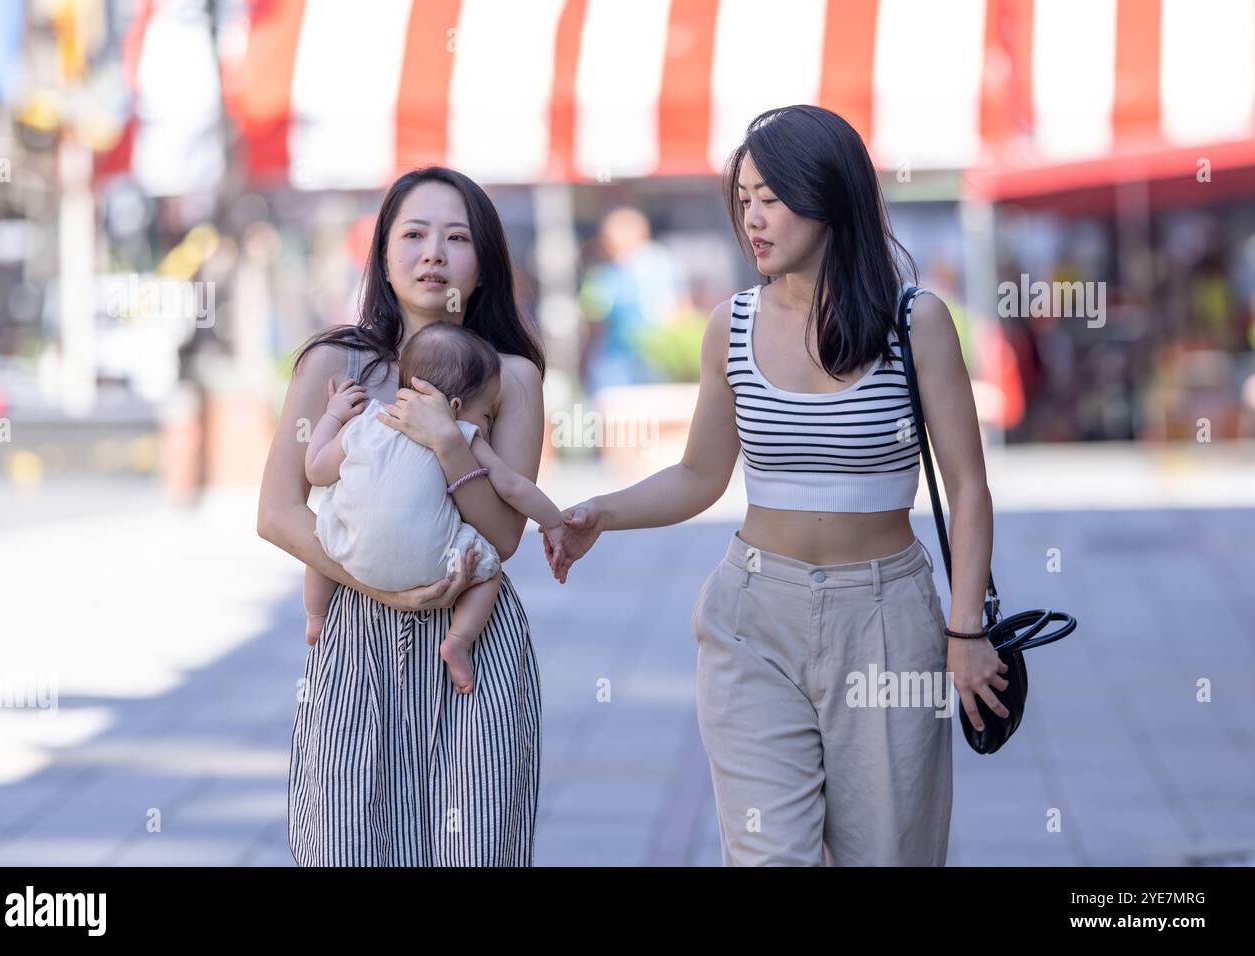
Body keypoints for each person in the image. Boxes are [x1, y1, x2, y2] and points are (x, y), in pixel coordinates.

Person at [544, 106, 1007, 866]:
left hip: (886, 620)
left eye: (772, 198)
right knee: (769, 856)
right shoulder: (730, 325)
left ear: (830, 198)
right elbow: (700, 474)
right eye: (745, 199)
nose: (752, 219)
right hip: (752, 618)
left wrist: (964, 631)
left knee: (888, 854)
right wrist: (602, 511)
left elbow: (968, 487)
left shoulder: (913, 322)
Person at [257, 165, 547, 866]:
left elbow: (503, 534)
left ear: (484, 265)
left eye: (457, 238)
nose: (434, 254)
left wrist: (450, 445)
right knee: (348, 845)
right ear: (384, 255)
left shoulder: (512, 378)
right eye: (413, 234)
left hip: (471, 648)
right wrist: (374, 585)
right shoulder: (336, 366)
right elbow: (277, 511)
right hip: (355, 639)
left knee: (475, 845)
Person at [304, 321, 567, 695]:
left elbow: (315, 470)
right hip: (437, 572)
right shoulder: (465, 434)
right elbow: (512, 487)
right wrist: (553, 521)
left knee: (324, 525)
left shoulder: (366, 422)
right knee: (488, 568)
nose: (488, 425)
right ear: (456, 407)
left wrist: (332, 417)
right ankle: (457, 641)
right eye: (488, 415)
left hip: (353, 562)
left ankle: (316, 617)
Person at [577, 207, 688, 393]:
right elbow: (681, 311)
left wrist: (584, 363)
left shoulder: (604, 276)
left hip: (616, 370)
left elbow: (594, 326)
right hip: (660, 366)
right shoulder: (664, 261)